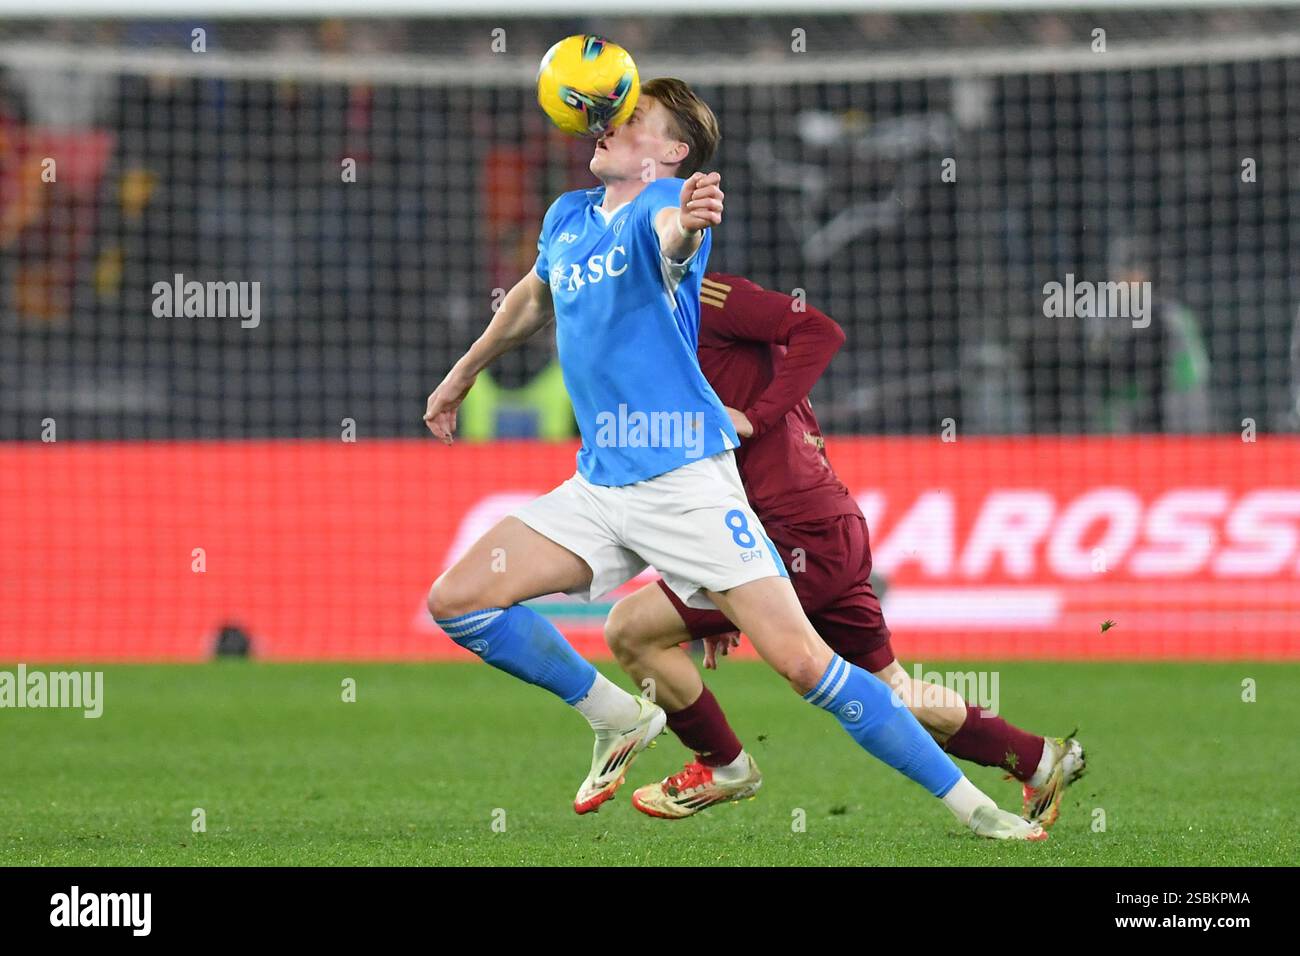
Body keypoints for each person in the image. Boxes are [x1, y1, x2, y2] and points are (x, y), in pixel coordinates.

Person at [423, 78, 1043, 840]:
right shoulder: (567, 218)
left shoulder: (666, 204)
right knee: (459, 600)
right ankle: (618, 718)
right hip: (600, 484)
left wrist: (687, 223)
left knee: (806, 666)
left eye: (634, 117)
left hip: (686, 483)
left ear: (672, 153)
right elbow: (528, 299)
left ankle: (972, 807)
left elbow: (674, 241)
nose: (610, 123)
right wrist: (461, 373)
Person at [604, 273, 1085, 824]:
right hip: (819, 526)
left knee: (631, 629)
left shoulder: (703, 296)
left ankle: (722, 765)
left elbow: (821, 330)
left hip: (794, 532)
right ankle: (1038, 758)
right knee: (893, 690)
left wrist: (755, 421)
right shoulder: (666, 329)